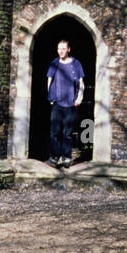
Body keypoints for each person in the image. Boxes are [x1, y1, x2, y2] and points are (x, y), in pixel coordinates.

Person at [46, 39, 84, 169]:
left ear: (68, 49)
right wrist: (51, 97)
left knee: (67, 133)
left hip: (71, 104)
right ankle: (54, 157)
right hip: (57, 103)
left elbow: (81, 82)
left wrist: (79, 98)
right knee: (54, 132)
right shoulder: (54, 64)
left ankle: (67, 158)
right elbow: (49, 80)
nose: (61, 51)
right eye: (59, 49)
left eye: (63, 49)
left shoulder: (76, 64)